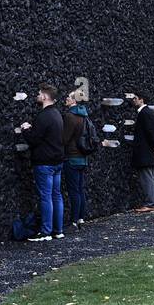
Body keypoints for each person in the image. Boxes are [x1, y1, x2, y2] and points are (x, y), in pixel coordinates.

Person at [19, 83, 64, 241]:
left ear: (45, 96)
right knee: (56, 196)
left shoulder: (43, 116)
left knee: (45, 196)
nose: (37, 95)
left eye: (39, 93)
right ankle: (58, 230)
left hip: (44, 162)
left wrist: (25, 129)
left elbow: (34, 139)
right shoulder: (57, 114)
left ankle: (46, 232)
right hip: (58, 161)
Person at [129, 91, 154, 213]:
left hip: (145, 152)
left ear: (142, 99)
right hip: (148, 151)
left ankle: (150, 203)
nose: (133, 100)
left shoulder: (144, 113)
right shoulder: (147, 112)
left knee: (147, 178)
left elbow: (151, 132)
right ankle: (151, 203)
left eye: (135, 98)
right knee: (150, 177)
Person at [61, 91, 90, 228]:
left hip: (71, 157)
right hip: (83, 157)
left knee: (73, 190)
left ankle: (74, 219)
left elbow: (64, 139)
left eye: (69, 97)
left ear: (74, 101)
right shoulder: (84, 115)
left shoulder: (69, 116)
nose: (66, 98)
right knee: (80, 189)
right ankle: (81, 218)